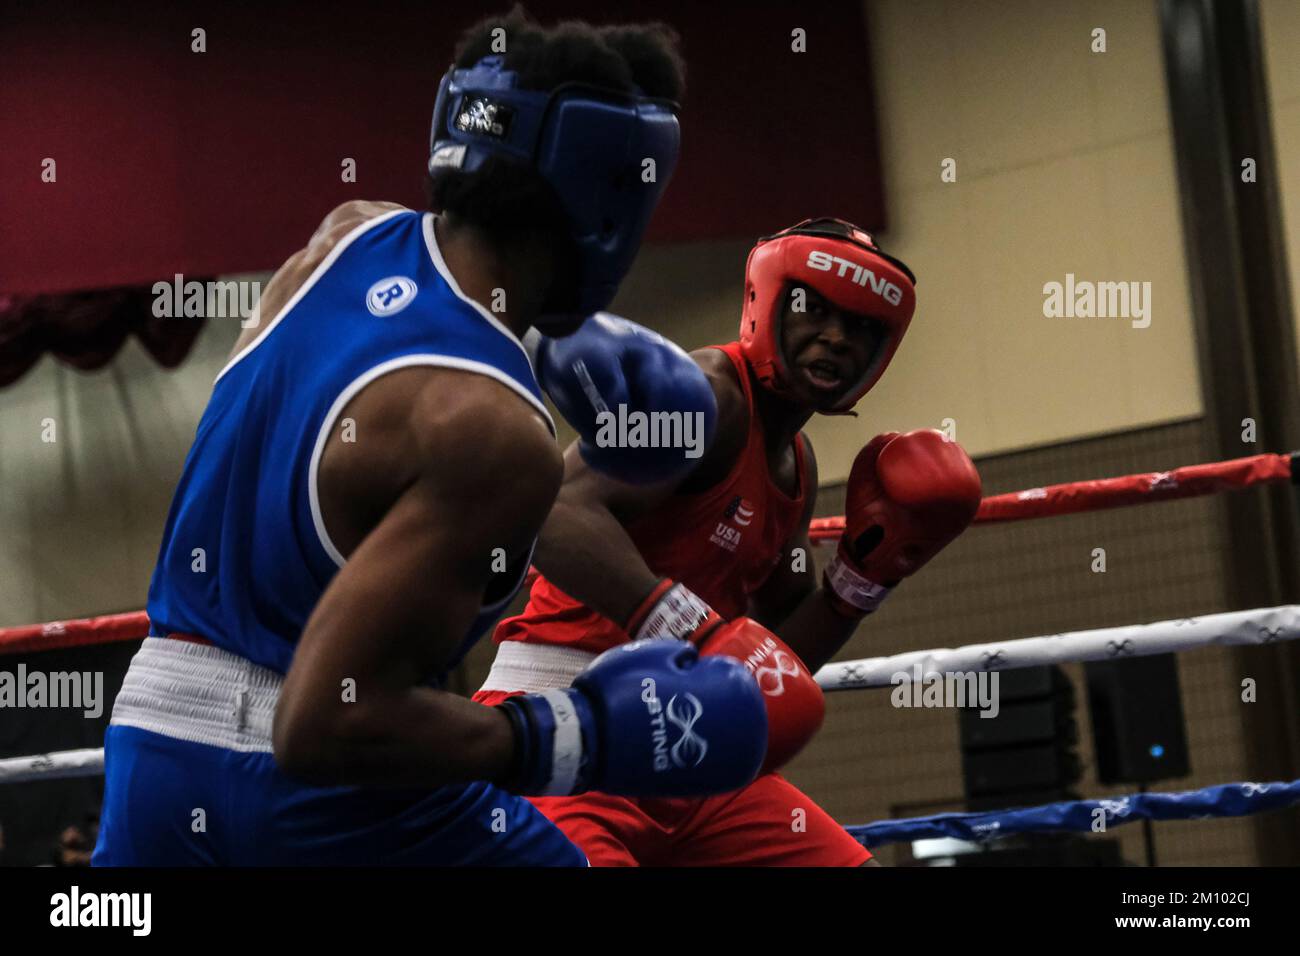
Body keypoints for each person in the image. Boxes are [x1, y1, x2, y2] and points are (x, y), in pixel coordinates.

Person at [92, 11, 773, 867]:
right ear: (608, 202)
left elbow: (400, 338)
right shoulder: (497, 436)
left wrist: (546, 340)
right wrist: (577, 733)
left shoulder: (344, 237)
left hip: (149, 756)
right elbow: (325, 721)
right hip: (314, 785)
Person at [476, 217, 984, 866]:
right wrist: (690, 626)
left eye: (861, 327)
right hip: (565, 720)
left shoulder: (797, 464)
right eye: (815, 310)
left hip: (688, 741)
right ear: (768, 303)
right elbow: (554, 512)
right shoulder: (707, 395)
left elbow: (773, 664)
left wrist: (865, 578)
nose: (836, 338)